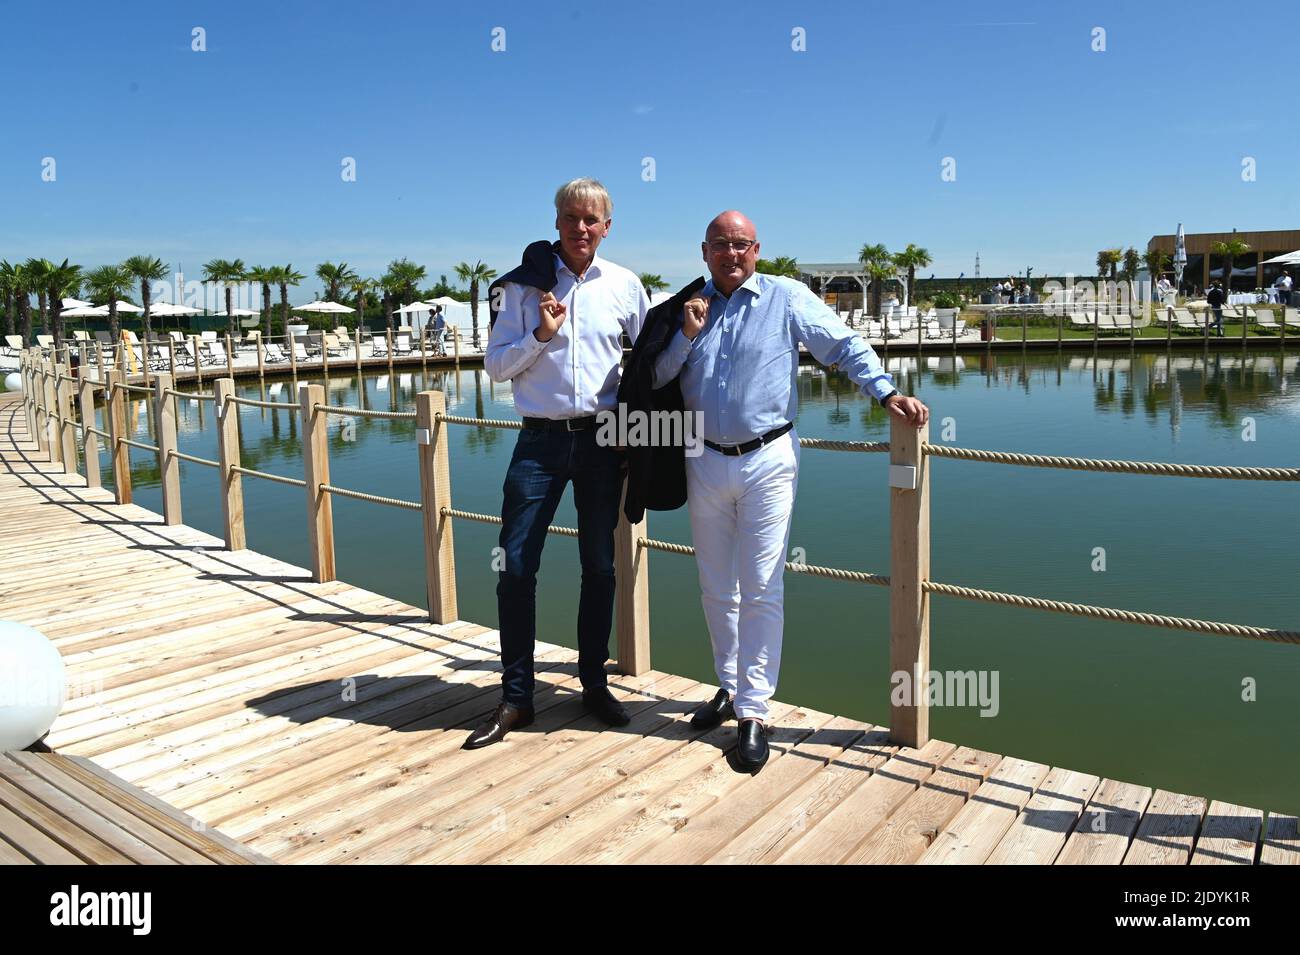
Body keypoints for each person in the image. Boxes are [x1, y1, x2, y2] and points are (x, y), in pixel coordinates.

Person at [651, 210, 929, 771]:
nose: (731, 254)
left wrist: (885, 393)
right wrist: (685, 336)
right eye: (720, 245)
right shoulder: (685, 308)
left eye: (741, 244)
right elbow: (654, 377)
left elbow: (844, 346)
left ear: (757, 250)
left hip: (767, 458)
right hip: (702, 458)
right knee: (713, 587)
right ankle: (728, 688)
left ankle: (754, 710)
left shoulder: (786, 297)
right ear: (703, 252)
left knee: (760, 585)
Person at [467, 177, 649, 749]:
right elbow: (496, 366)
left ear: (607, 227)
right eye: (571, 217)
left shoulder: (625, 285)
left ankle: (592, 683)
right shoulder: (522, 289)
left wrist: (641, 432)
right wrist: (542, 337)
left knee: (599, 565)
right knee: (515, 565)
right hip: (539, 443)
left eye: (592, 219)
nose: (581, 228)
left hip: (603, 442)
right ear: (557, 222)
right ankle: (517, 697)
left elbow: (646, 367)